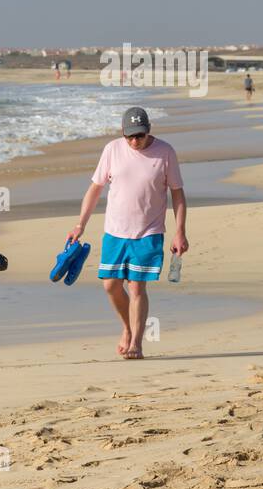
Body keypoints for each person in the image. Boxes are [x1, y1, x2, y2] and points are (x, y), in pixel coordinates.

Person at [68, 107, 188, 360]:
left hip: (149, 232)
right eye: (130, 136)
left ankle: (136, 343)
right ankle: (127, 327)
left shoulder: (165, 152)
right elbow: (95, 189)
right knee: (110, 286)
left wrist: (180, 232)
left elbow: (177, 193)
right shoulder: (112, 149)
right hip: (115, 231)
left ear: (149, 131)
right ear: (123, 133)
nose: (135, 141)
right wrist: (80, 224)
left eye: (140, 136)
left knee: (136, 288)